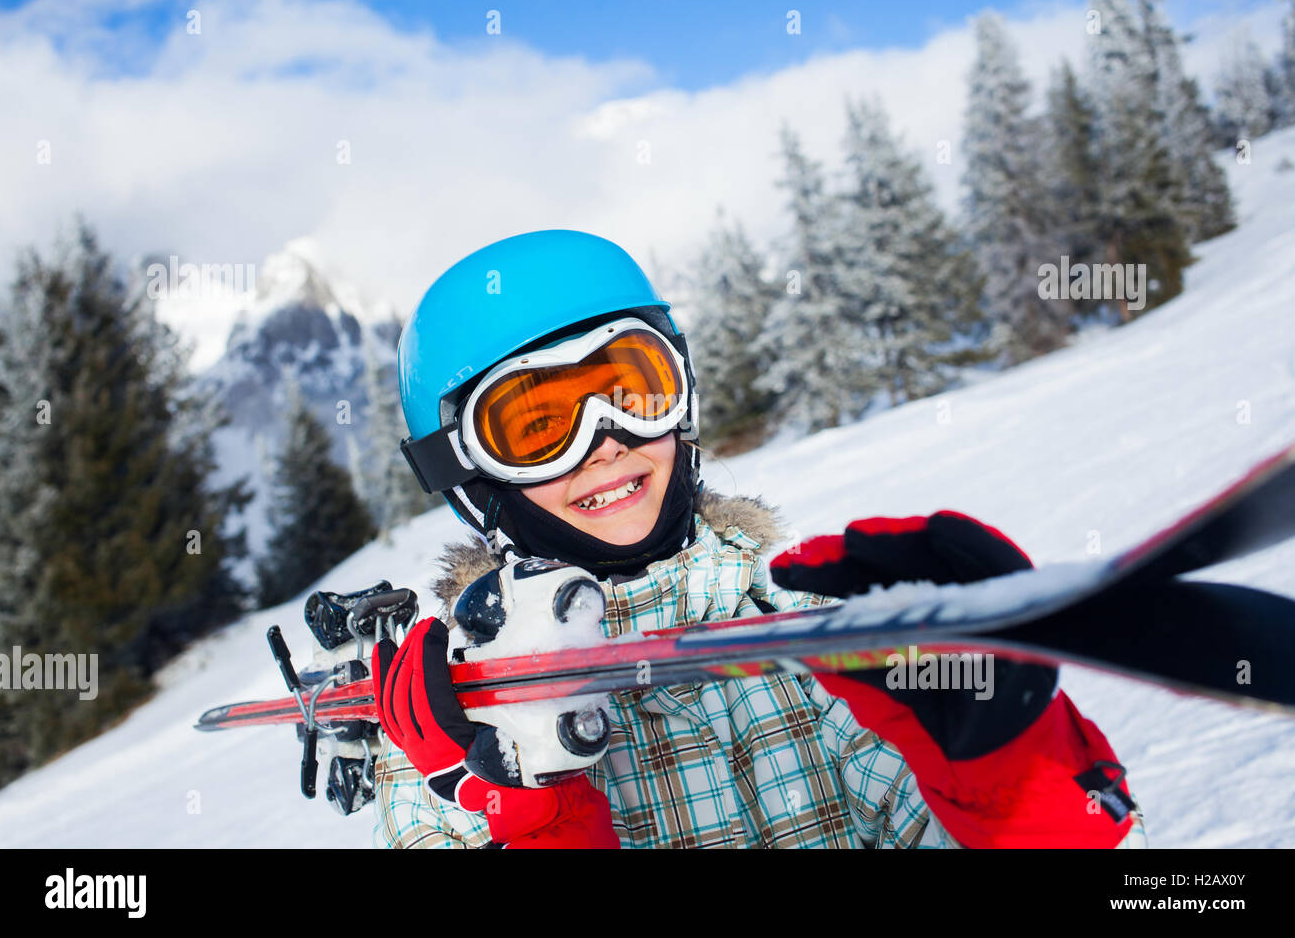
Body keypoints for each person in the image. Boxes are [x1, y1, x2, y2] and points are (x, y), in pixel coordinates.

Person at [371, 229, 1147, 849]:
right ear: (470, 474)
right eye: (538, 426)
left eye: (633, 392)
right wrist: (540, 825)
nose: (606, 442)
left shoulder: (808, 637)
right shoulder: (453, 739)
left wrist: (1007, 774)